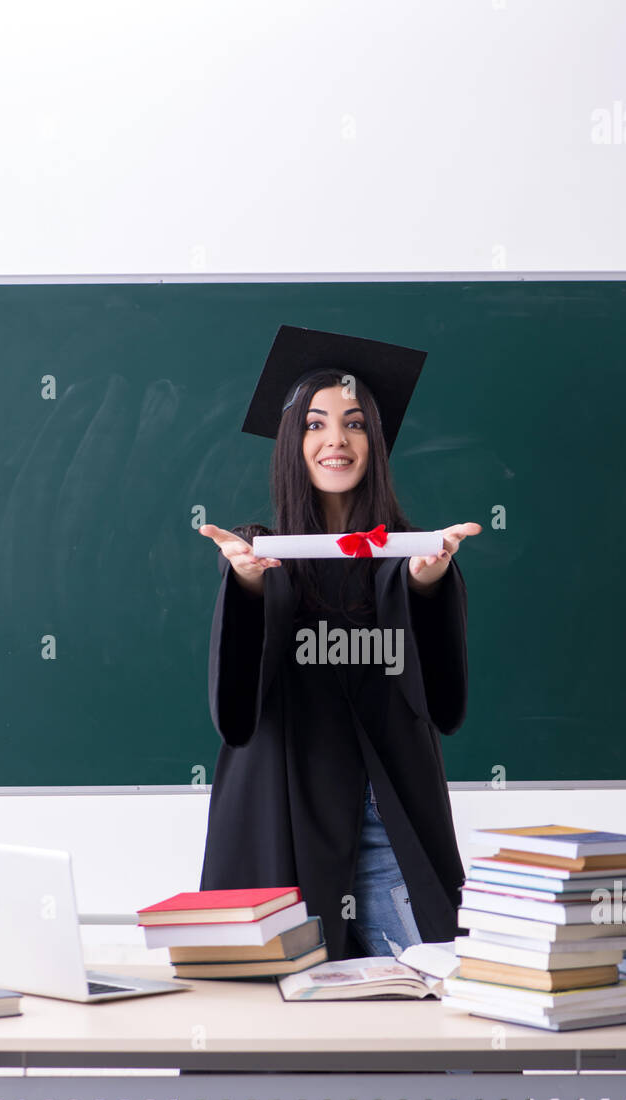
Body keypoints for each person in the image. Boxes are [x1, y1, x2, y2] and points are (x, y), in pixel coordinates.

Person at [198, 325, 481, 959]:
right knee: (281, 1025)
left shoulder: (407, 553)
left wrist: (426, 584)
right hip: (282, 818)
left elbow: (436, 694)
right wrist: (245, 584)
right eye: (315, 423)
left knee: (436, 1004)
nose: (336, 440)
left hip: (388, 819)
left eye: (354, 423)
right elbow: (237, 704)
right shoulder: (258, 550)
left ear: (374, 442)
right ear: (292, 443)